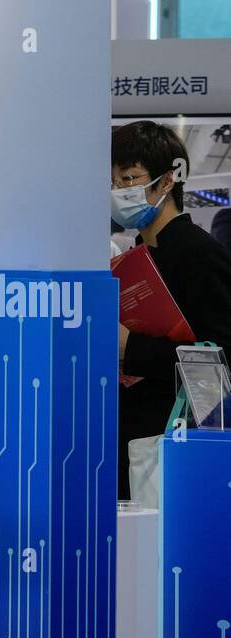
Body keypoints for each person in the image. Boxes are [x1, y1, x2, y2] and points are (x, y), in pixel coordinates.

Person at [111, 121, 231, 497]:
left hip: (171, 435)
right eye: (114, 182)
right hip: (130, 432)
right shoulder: (132, 258)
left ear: (167, 182)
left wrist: (130, 349)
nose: (120, 192)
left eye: (130, 178)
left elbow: (221, 357)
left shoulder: (199, 253)